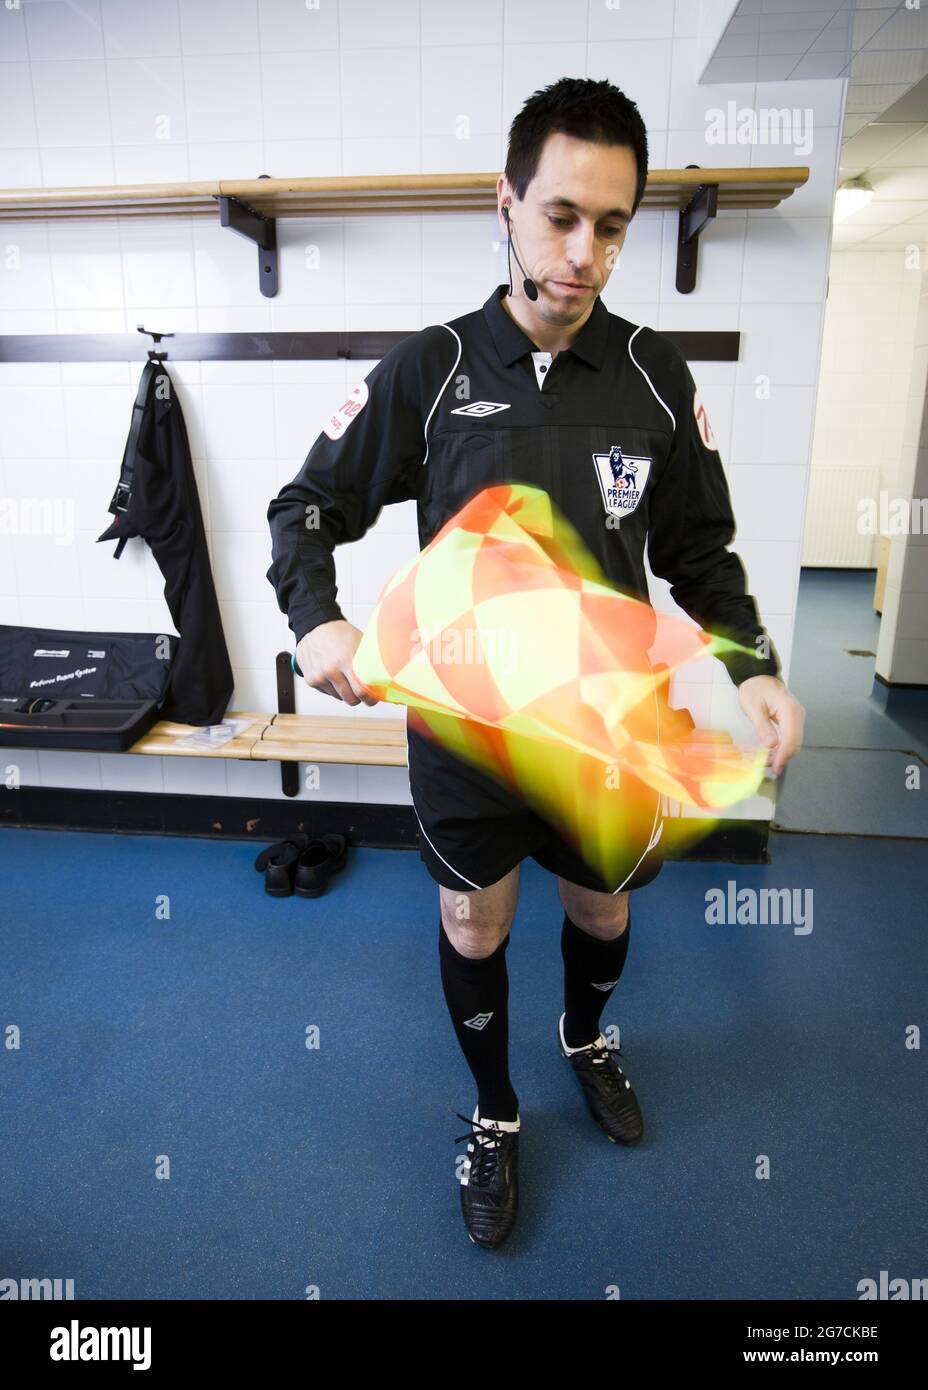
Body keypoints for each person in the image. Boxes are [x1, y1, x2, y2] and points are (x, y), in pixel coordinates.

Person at [266, 76, 806, 1250]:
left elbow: (701, 551)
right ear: (503, 204)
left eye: (611, 226)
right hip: (465, 729)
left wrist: (752, 663)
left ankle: (584, 1037)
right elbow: (304, 506)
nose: (585, 252)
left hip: (602, 727)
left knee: (601, 914)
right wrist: (319, 620)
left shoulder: (656, 375)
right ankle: (496, 1111)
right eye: (560, 216)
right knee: (475, 925)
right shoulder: (432, 368)